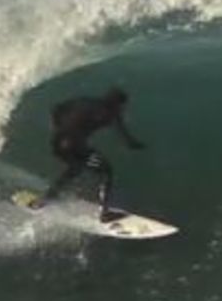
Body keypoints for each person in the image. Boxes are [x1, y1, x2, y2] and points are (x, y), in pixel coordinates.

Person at [34, 86, 145, 221]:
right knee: (106, 172)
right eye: (122, 106)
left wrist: (58, 127)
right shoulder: (108, 113)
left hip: (59, 141)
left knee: (74, 170)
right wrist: (134, 144)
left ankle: (44, 200)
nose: (123, 109)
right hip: (73, 145)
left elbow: (57, 108)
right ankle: (104, 213)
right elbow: (121, 131)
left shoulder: (86, 101)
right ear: (117, 104)